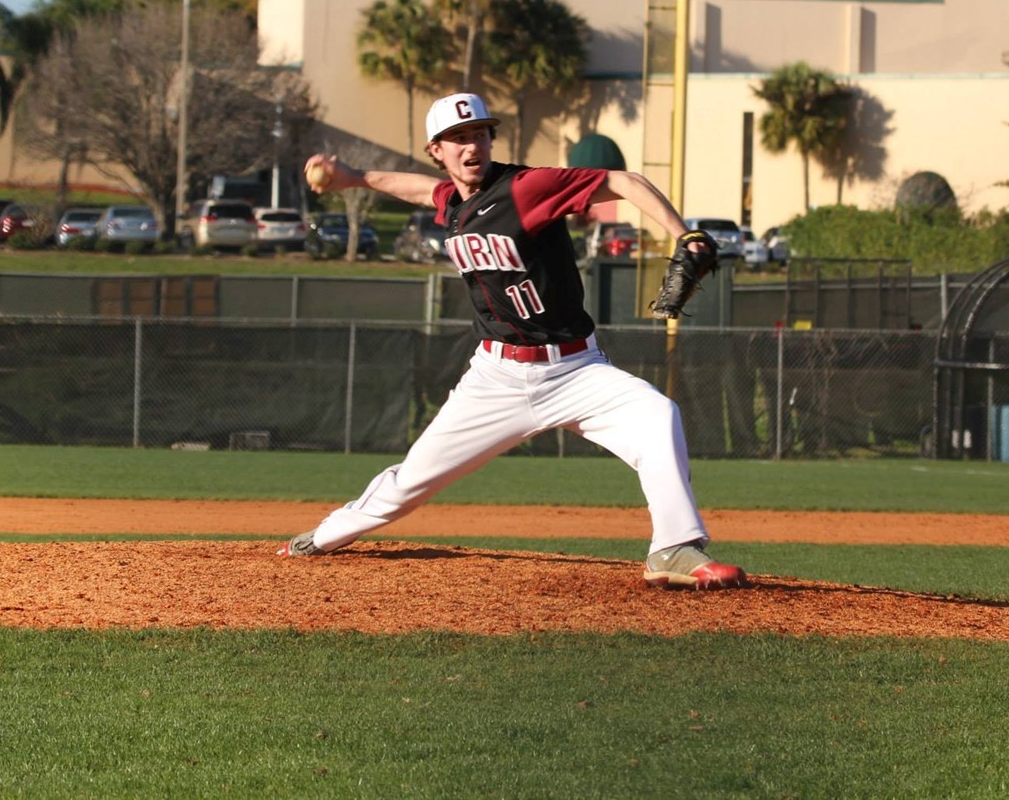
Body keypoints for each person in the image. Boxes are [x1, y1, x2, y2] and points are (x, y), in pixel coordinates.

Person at [280, 92, 747, 590]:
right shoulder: (453, 204)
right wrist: (354, 178)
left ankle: (674, 548)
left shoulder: (527, 188)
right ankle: (329, 534)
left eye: (478, 133)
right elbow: (420, 190)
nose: (470, 146)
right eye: (456, 138)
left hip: (575, 370)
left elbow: (624, 182)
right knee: (413, 480)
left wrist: (683, 234)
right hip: (496, 376)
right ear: (436, 150)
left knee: (658, 417)